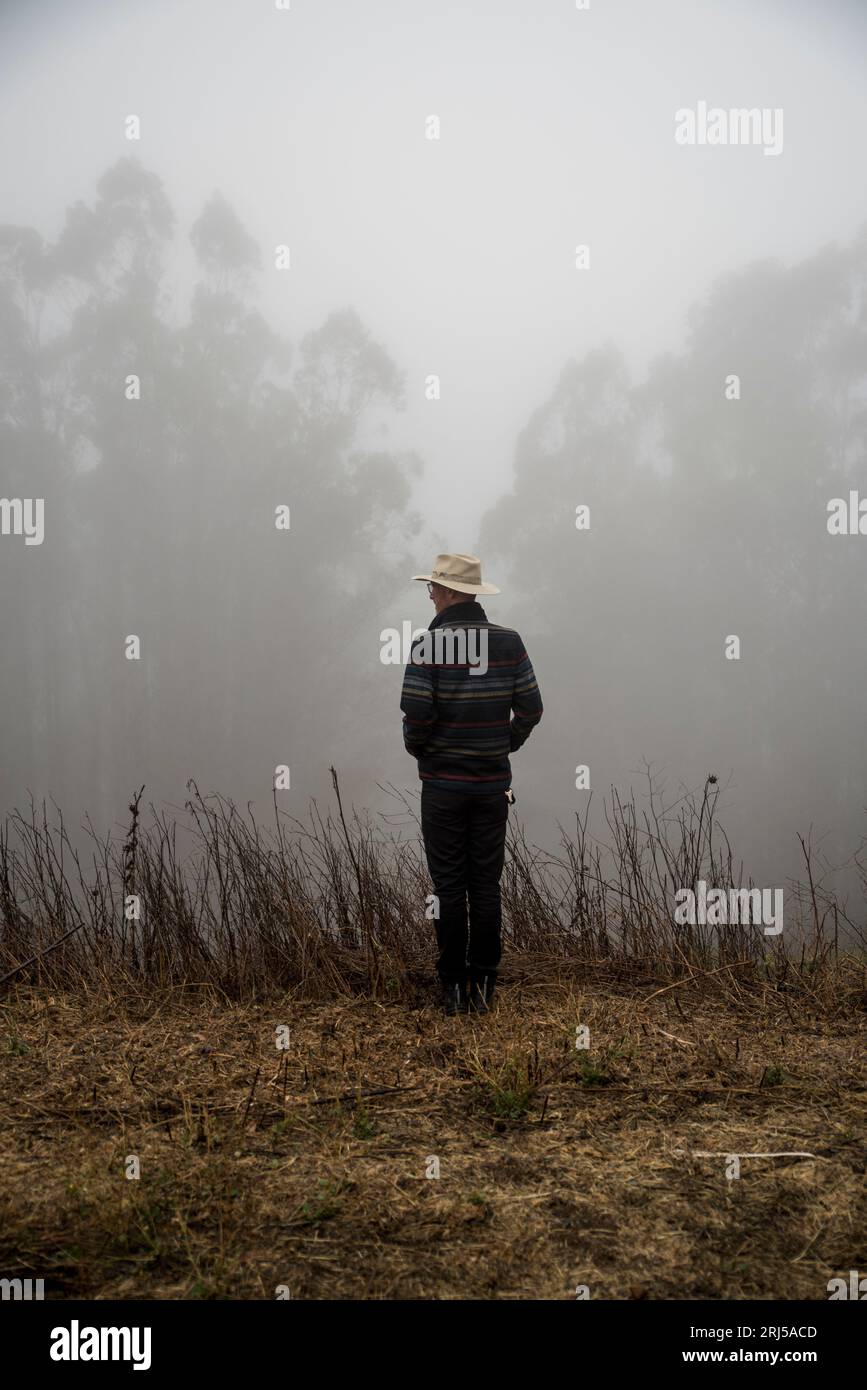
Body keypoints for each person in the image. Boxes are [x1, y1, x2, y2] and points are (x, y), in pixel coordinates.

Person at [400, 554, 543, 1015]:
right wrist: (504, 744)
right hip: (491, 786)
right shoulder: (510, 643)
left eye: (433, 589)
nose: (432, 596)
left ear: (447, 593)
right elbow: (532, 708)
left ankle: (452, 987)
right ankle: (484, 986)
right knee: (485, 886)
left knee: (448, 888)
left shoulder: (429, 644)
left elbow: (417, 713)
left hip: (442, 787)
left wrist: (424, 752)